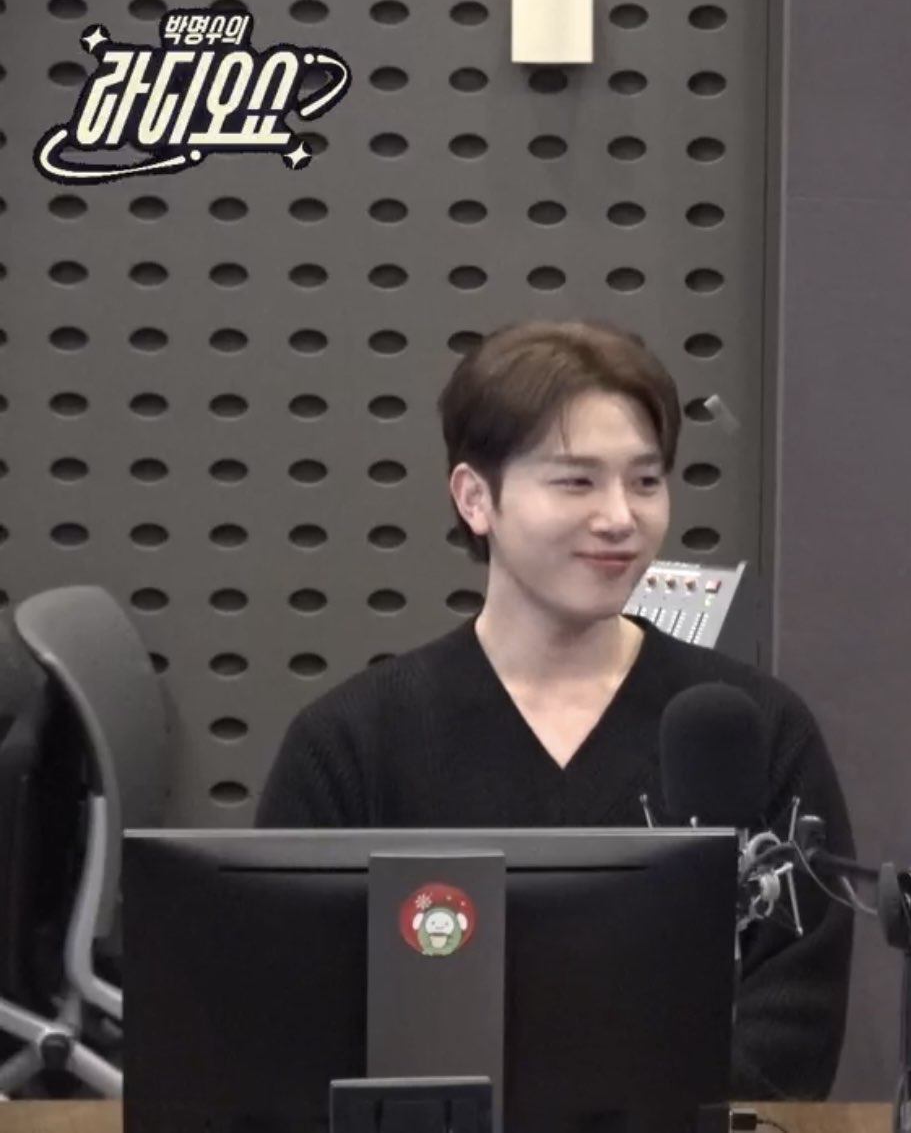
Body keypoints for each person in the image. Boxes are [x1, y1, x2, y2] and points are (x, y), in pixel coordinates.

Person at [256, 319, 855, 1102]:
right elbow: (284, 1010)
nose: (621, 517)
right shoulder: (351, 743)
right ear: (476, 498)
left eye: (646, 481)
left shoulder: (756, 730)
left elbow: (794, 1014)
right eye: (577, 482)